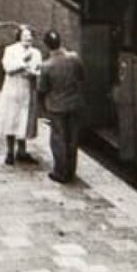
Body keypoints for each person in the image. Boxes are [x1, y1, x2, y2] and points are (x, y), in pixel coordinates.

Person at [38, 29, 86, 184]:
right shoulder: (74, 58)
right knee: (72, 138)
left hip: (56, 107)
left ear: (47, 46)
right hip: (74, 104)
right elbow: (81, 76)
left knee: (59, 139)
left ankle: (60, 172)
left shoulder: (47, 66)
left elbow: (42, 89)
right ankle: (71, 170)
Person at [0, 26, 42, 164]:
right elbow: (8, 68)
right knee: (11, 119)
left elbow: (38, 69)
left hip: (27, 89)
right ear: (19, 37)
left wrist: (34, 73)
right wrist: (23, 62)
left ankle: (22, 151)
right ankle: (9, 152)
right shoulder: (11, 50)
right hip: (12, 89)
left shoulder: (36, 52)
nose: (28, 39)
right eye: (25, 36)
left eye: (30, 36)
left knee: (23, 120)